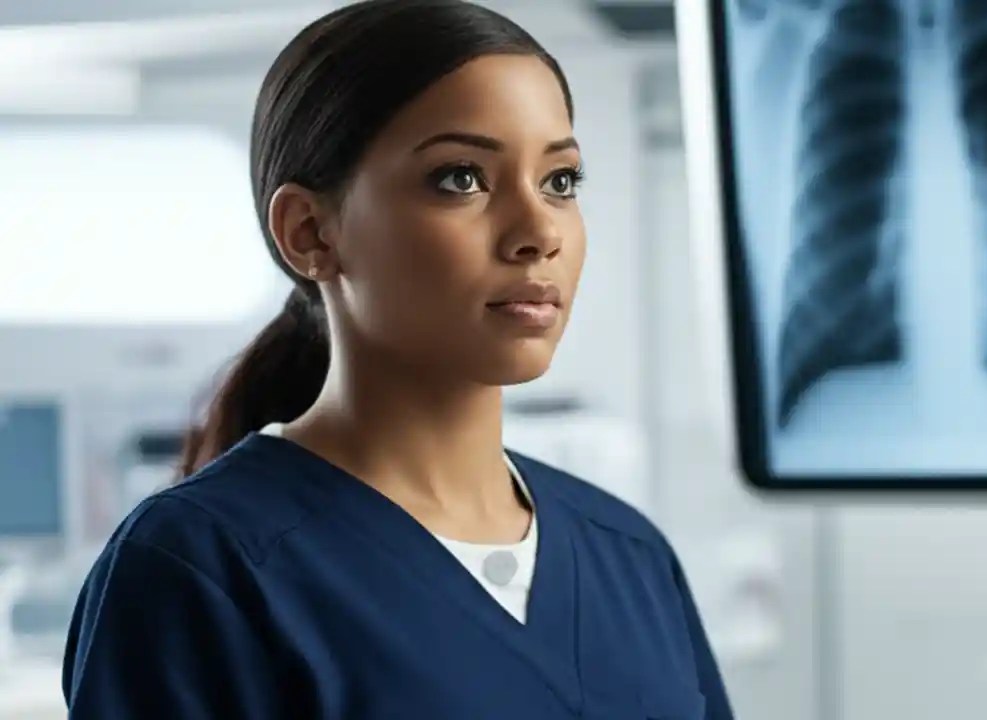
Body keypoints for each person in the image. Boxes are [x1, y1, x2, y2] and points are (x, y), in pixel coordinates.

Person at [60, 1, 733, 717]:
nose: (540, 232)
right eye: (461, 178)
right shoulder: (202, 567)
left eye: (560, 181)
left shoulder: (629, 554)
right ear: (310, 232)